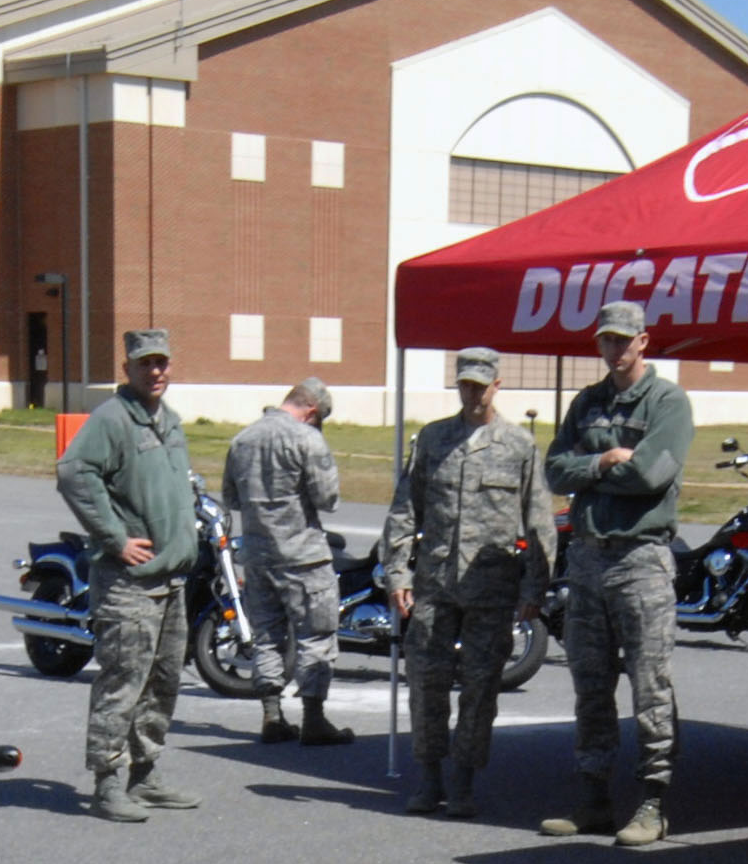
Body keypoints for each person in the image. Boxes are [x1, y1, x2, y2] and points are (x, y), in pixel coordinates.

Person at [380, 347, 556, 818]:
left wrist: (535, 589)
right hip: (434, 582)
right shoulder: (434, 440)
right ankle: (429, 777)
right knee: (425, 681)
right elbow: (405, 509)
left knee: (480, 686)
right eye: (465, 384)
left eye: (481, 384)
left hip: (491, 587)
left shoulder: (517, 445)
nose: (473, 392)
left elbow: (538, 520)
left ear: (497, 385)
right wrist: (397, 571)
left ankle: (463, 780)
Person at [541, 300, 692, 845]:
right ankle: (593, 798)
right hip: (587, 558)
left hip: (640, 560)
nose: (615, 348)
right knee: (590, 681)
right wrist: (603, 462)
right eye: (606, 339)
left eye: (624, 339)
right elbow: (555, 470)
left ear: (644, 342)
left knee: (650, 684)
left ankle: (653, 801)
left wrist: (597, 472)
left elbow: (651, 475)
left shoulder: (667, 402)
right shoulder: (587, 402)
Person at [56, 331, 201, 820]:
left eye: (162, 363)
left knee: (163, 682)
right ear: (127, 369)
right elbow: (74, 472)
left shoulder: (171, 422)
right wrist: (115, 537)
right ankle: (108, 781)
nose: (155, 372)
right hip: (130, 584)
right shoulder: (111, 419)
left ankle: (145, 774)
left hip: (172, 580)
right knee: (123, 681)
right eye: (145, 364)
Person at [223, 378, 350, 745]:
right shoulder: (307, 439)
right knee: (316, 635)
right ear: (312, 412)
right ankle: (314, 717)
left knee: (267, 637)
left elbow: (231, 497)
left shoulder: (242, 439)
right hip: (303, 556)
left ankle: (271, 714)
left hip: (259, 555)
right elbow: (328, 499)